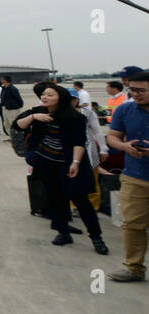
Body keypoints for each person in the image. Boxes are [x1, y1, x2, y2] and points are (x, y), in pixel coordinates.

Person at [15, 82, 108, 252]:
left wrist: (76, 163)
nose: (45, 97)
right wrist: (34, 117)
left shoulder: (75, 117)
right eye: (44, 94)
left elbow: (79, 142)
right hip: (47, 163)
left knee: (81, 200)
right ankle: (63, 232)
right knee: (55, 198)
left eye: (50, 95)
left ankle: (96, 237)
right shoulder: (39, 112)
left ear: (61, 98)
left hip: (70, 163)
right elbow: (18, 125)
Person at [106, 71, 149, 281]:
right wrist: (125, 146)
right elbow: (112, 136)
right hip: (135, 176)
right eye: (132, 89)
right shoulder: (125, 109)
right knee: (132, 224)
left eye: (141, 90)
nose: (136, 94)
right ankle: (134, 268)